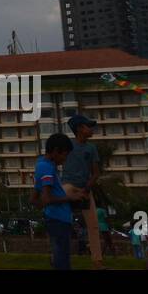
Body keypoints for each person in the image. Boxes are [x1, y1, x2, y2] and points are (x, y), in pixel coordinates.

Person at [34, 132, 76, 270]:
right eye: (64, 155)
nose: (65, 159)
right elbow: (47, 198)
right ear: (56, 151)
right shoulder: (47, 168)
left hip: (55, 218)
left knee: (60, 257)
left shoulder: (42, 165)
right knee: (62, 260)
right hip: (58, 220)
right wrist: (69, 198)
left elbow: (34, 198)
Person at [63, 114, 101, 265]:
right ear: (79, 129)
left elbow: (96, 173)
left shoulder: (91, 148)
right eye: (88, 126)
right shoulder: (67, 146)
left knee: (94, 225)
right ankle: (59, 256)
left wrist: (86, 189)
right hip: (68, 186)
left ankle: (97, 262)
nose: (91, 129)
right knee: (62, 222)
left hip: (85, 188)